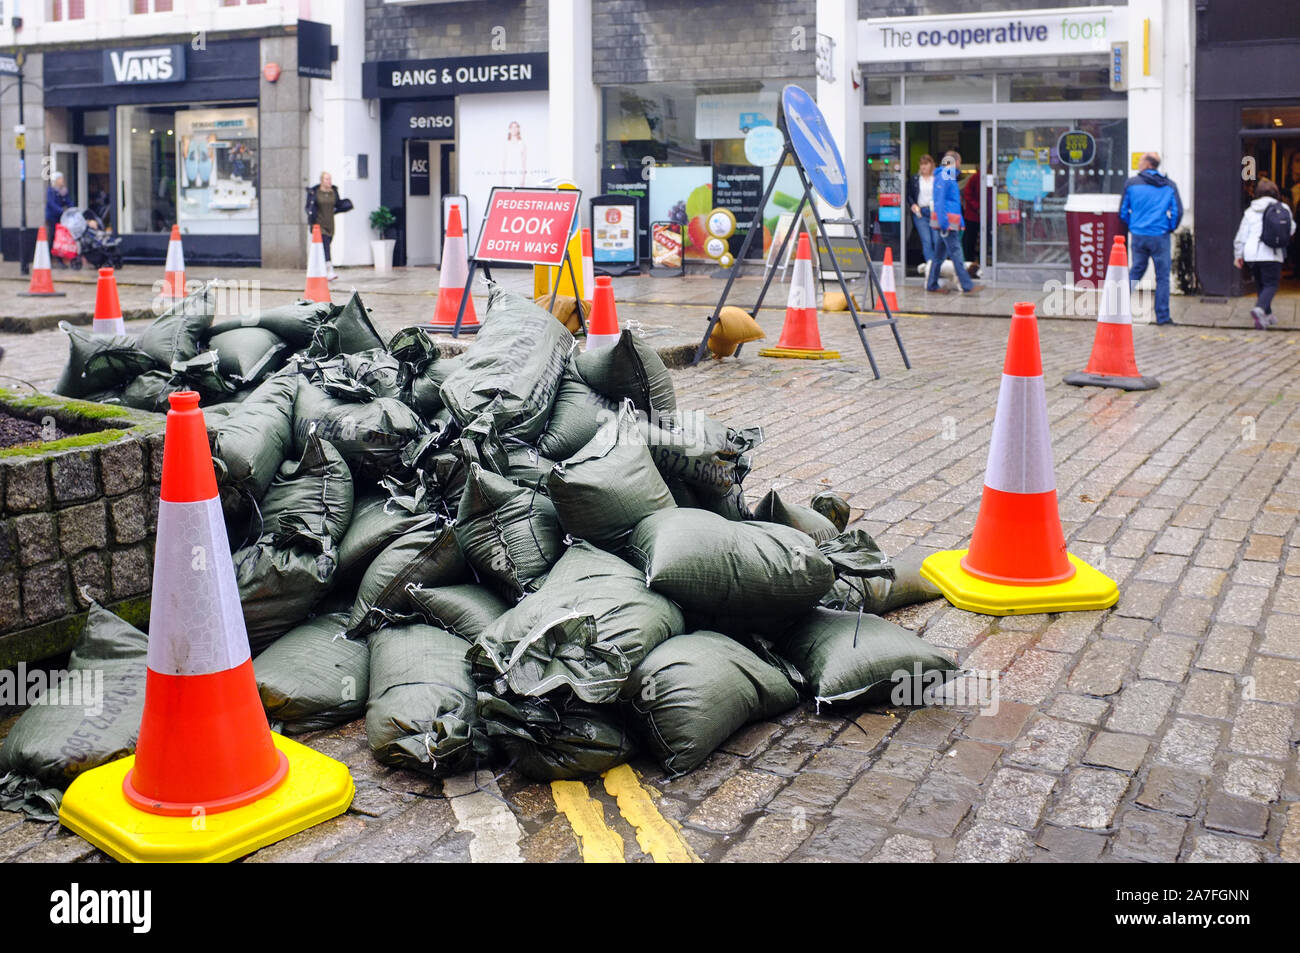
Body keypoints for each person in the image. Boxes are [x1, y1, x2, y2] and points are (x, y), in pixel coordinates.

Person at [1119, 152, 1183, 326]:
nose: (1139, 164)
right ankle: (1162, 317)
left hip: (1138, 235)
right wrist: (1169, 227)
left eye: (1141, 161)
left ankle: (1117, 309)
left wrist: (1134, 225)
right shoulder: (1169, 185)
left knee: (1136, 271)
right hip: (1160, 236)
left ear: (1148, 164)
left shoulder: (1131, 184)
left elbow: (1123, 211)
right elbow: (1178, 212)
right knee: (1162, 277)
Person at [1233, 178, 1294, 329]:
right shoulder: (1283, 208)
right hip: (1272, 253)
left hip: (1252, 253)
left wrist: (1238, 255)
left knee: (1261, 285)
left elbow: (1241, 235)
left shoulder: (1250, 211)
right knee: (1271, 285)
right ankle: (1260, 309)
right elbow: (1291, 229)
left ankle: (1266, 316)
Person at [926, 151, 981, 294]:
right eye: (959, 162)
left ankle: (932, 284)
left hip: (950, 222)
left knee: (938, 256)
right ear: (954, 161)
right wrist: (944, 223)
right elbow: (940, 200)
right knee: (957, 254)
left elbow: (953, 203)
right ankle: (967, 285)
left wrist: (960, 222)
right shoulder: (945, 176)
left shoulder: (948, 177)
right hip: (947, 224)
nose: (960, 165)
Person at [305, 171, 353, 280]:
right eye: (327, 179)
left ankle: (319, 269)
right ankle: (329, 270)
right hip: (319, 224)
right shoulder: (315, 192)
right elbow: (308, 207)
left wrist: (346, 205)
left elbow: (338, 204)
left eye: (330, 179)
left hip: (330, 223)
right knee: (326, 246)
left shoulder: (333, 192)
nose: (329, 181)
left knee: (325, 246)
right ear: (321, 181)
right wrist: (311, 219)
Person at [907, 154, 937, 272]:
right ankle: (932, 269)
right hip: (920, 213)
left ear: (931, 165)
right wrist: (913, 204)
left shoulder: (936, 178)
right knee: (927, 241)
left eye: (926, 164)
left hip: (934, 212)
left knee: (936, 240)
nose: (923, 167)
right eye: (922, 164)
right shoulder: (915, 179)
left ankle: (937, 266)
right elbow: (909, 194)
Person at [45, 171, 72, 242]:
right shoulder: (51, 191)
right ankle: (51, 250)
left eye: (62, 178)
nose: (62, 180)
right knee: (52, 234)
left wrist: (71, 209)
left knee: (61, 234)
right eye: (60, 179)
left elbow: (68, 201)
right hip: (52, 217)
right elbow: (51, 203)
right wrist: (61, 210)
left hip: (61, 216)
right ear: (56, 180)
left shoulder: (64, 191)